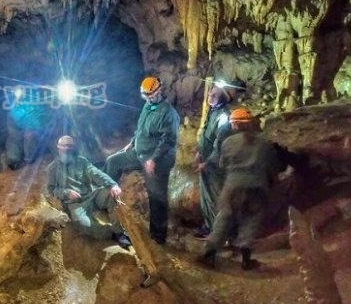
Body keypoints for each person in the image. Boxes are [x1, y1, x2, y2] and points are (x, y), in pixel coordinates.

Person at [198, 108, 285, 270]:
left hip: (234, 186)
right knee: (251, 221)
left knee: (224, 219)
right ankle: (246, 260)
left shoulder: (228, 143)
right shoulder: (265, 143)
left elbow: (222, 164)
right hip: (257, 187)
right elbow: (273, 166)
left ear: (235, 125)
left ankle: (209, 254)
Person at [105, 77, 181, 245]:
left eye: (150, 94)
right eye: (145, 95)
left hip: (158, 159)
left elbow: (168, 140)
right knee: (113, 161)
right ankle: (106, 201)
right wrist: (131, 143)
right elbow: (140, 130)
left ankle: (158, 235)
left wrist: (154, 159)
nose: (148, 98)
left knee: (157, 196)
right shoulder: (148, 106)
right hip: (139, 153)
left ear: (159, 91)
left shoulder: (168, 113)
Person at [46, 135, 132, 249]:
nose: (66, 148)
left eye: (69, 146)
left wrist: (112, 184)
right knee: (85, 224)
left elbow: (95, 173)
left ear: (73, 148)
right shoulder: (52, 168)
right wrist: (66, 192)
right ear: (58, 147)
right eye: (63, 146)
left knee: (112, 195)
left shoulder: (82, 162)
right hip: (76, 204)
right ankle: (110, 233)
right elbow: (51, 189)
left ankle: (119, 232)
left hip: (91, 195)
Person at [194, 81, 237, 239]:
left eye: (214, 95)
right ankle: (209, 226)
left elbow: (220, 145)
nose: (210, 97)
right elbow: (205, 135)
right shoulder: (213, 112)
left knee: (216, 198)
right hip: (205, 161)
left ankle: (222, 233)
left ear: (222, 98)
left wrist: (208, 162)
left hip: (216, 165)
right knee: (206, 197)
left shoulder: (223, 116)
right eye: (209, 94)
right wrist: (199, 152)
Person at [6, 101, 49, 170]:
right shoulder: (14, 111)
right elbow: (14, 134)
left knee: (30, 134)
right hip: (22, 115)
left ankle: (29, 159)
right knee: (14, 135)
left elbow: (41, 120)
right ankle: (14, 159)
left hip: (36, 120)